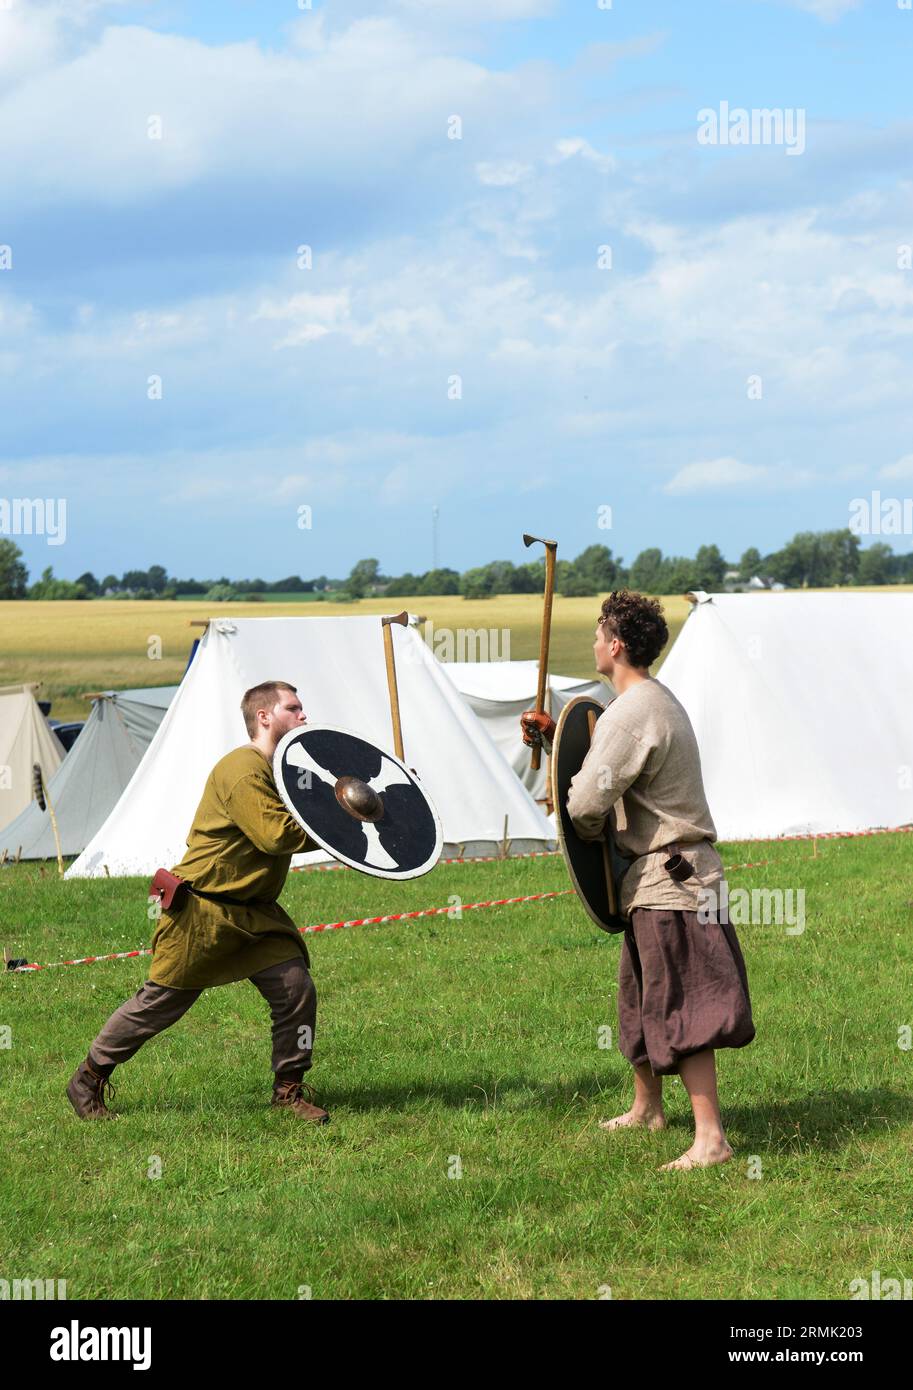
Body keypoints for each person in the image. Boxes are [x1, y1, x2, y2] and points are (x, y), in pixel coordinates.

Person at [521, 591, 754, 1170]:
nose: (595, 641)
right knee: (643, 994)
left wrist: (580, 811)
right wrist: (558, 743)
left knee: (685, 1003)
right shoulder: (649, 701)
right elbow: (611, 761)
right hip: (661, 879)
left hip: (673, 879)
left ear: (617, 644)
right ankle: (648, 1108)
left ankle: (711, 1140)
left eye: (600, 632)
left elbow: (587, 803)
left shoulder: (631, 712)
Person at [66, 681, 329, 1124]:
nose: (304, 715)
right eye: (293, 708)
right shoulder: (242, 769)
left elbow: (316, 804)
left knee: (295, 989)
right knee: (159, 1005)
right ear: (264, 716)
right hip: (203, 912)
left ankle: (289, 1090)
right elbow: (276, 834)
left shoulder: (281, 772)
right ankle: (88, 1078)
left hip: (255, 914)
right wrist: (337, 824)